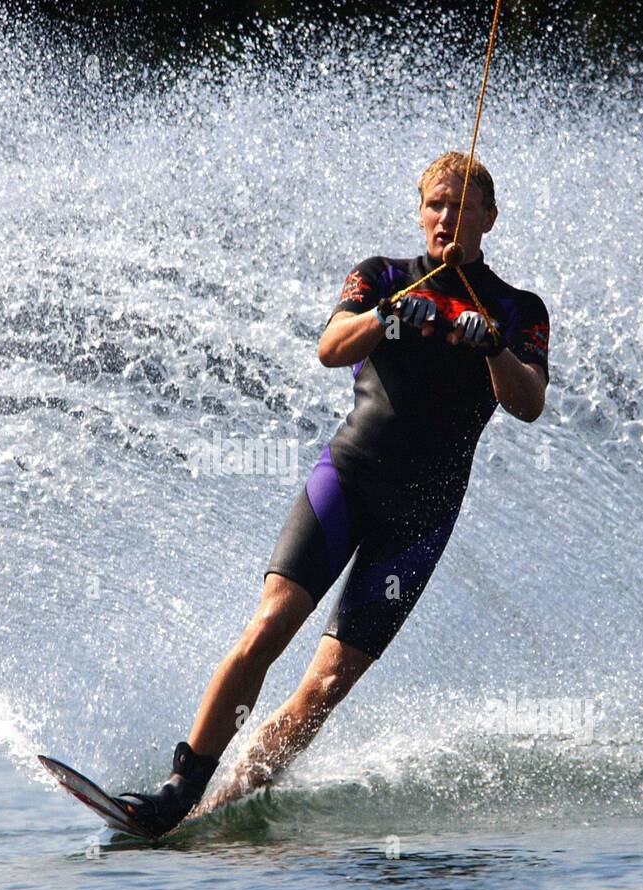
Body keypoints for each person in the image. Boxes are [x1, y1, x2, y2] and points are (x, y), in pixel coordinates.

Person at [115, 150, 551, 836]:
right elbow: (331, 347)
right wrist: (389, 315)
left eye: (462, 206)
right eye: (435, 204)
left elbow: (528, 402)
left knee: (322, 687)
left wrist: (492, 346)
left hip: (421, 516)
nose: (446, 217)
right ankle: (178, 789)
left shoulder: (516, 309)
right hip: (347, 479)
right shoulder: (381, 276)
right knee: (267, 627)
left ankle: (220, 810)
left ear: (489, 219)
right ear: (420, 211)